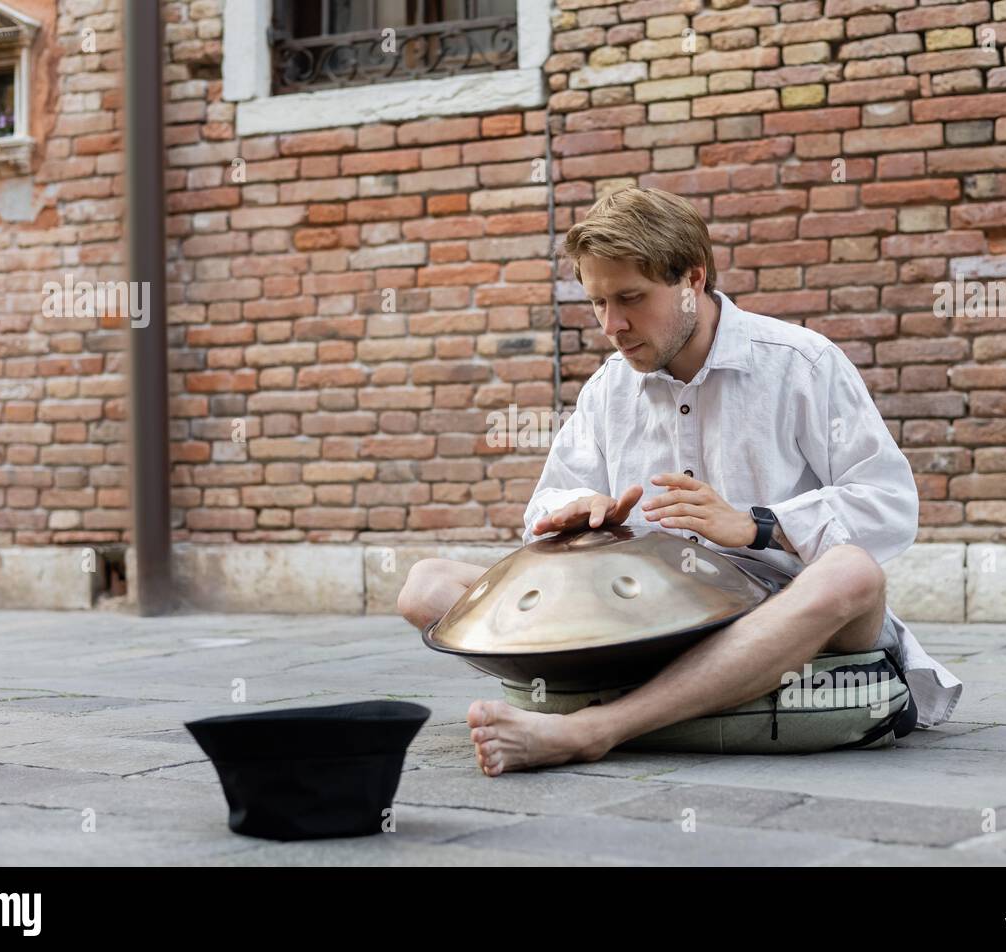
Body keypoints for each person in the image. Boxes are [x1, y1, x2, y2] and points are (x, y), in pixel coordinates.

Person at [398, 186, 963, 776]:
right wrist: (571, 514)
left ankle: (596, 726)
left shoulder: (802, 363)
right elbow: (548, 500)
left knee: (853, 572)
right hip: (653, 616)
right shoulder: (608, 388)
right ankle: (692, 695)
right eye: (597, 304)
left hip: (782, 612)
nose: (612, 325)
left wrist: (758, 526)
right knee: (426, 585)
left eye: (631, 298)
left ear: (693, 280)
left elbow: (889, 504)